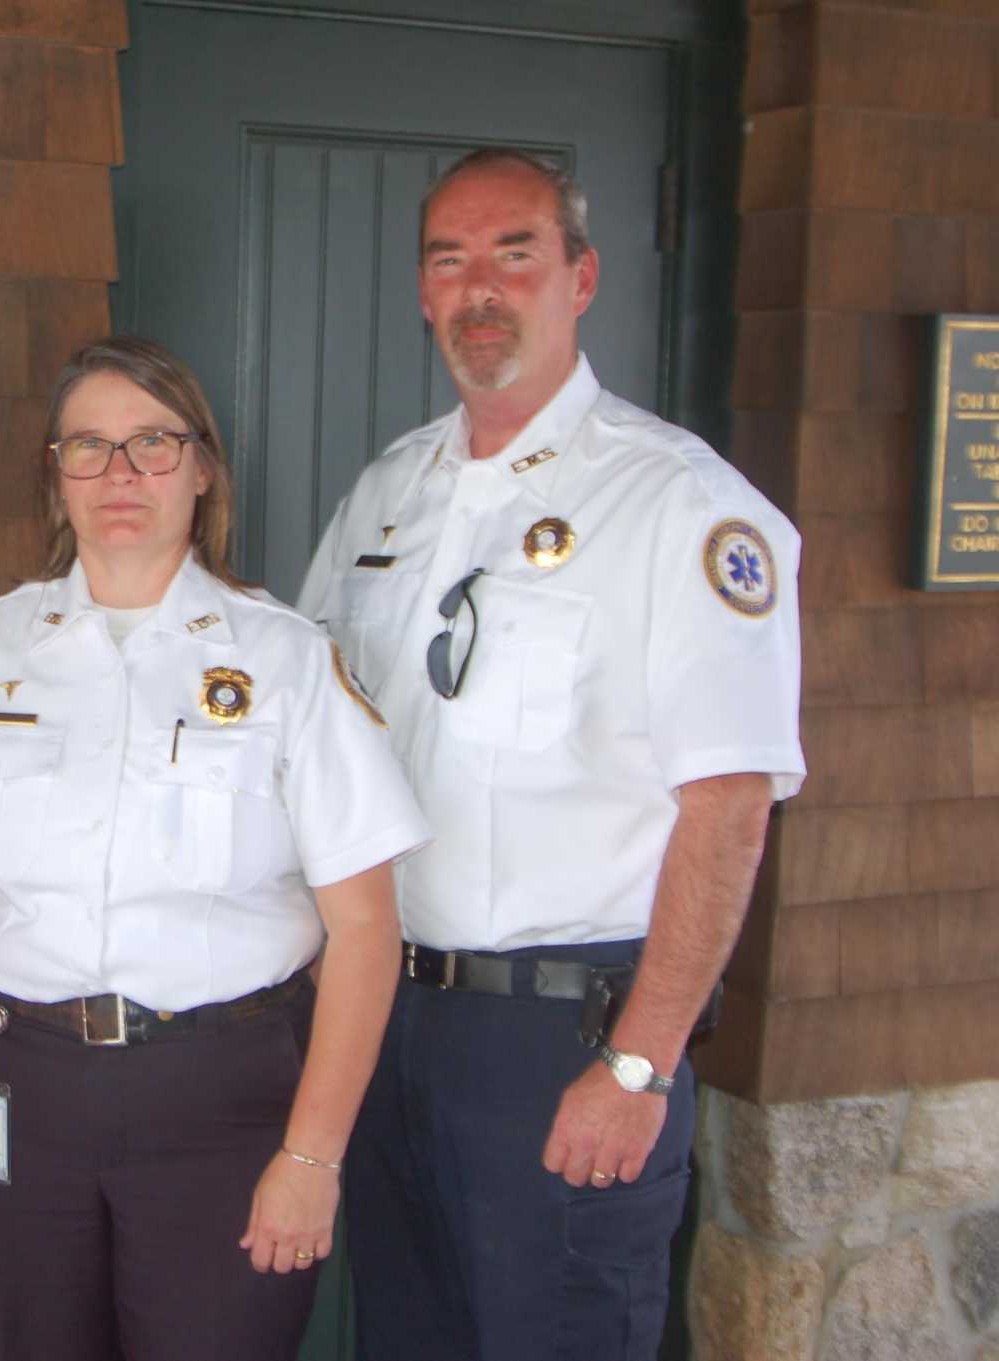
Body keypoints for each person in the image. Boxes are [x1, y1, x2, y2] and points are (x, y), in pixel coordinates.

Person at [296, 148, 805, 1360]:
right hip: (388, 1021)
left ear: (579, 278)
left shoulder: (676, 504)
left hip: (563, 1039)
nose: (480, 287)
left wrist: (639, 1060)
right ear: (421, 294)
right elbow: (304, 726)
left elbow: (728, 805)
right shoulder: (385, 493)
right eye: (448, 259)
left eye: (513, 253)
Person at [0, 336, 430, 1361]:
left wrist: (310, 1155)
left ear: (202, 467)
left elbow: (364, 929)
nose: (120, 474)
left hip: (221, 1104)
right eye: (87, 447)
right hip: (16, 1091)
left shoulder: (283, 660)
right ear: (53, 476)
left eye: (151, 443)